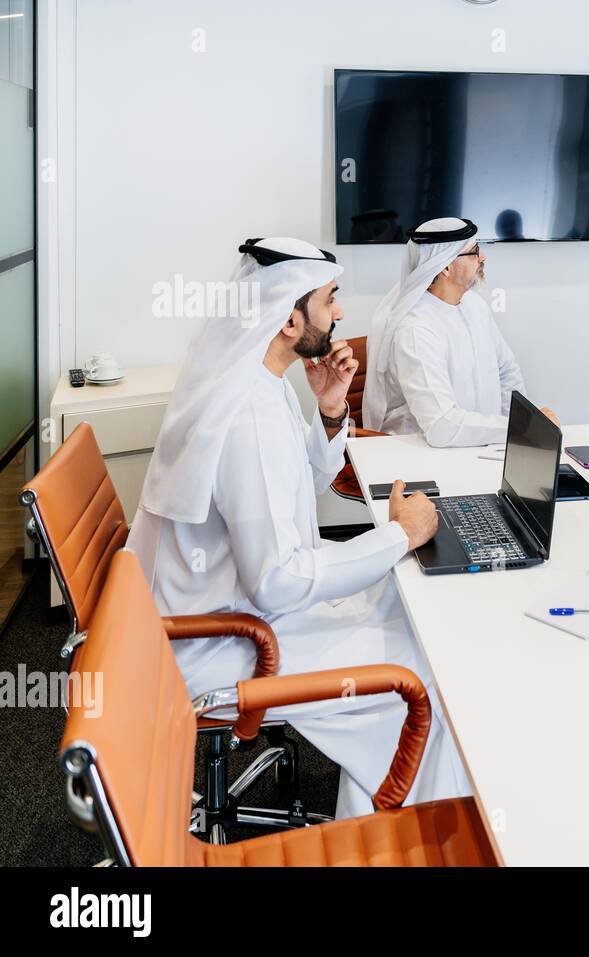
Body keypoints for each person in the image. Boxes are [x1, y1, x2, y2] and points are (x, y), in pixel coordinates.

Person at [127, 237, 469, 818]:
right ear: (290, 318)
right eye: (331, 299)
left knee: (399, 615)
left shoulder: (256, 380)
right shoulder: (250, 414)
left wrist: (330, 412)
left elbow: (281, 492)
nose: (339, 313)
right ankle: (379, 839)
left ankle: (373, 818)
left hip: (212, 613)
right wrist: (397, 537)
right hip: (219, 642)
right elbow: (278, 581)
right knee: (419, 676)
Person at [364, 217, 557, 446]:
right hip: (420, 455)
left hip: (481, 446)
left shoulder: (474, 305)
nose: (483, 257)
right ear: (445, 266)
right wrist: (520, 428)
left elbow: (506, 372)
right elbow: (440, 426)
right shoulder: (416, 330)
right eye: (474, 251)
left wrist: (524, 430)